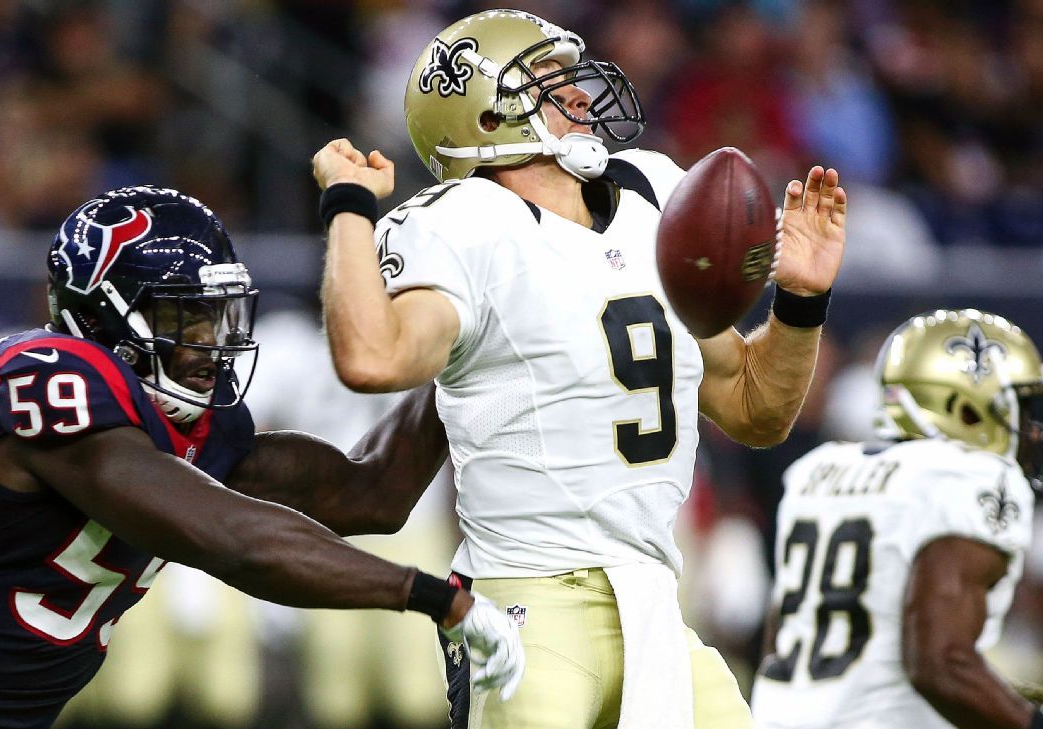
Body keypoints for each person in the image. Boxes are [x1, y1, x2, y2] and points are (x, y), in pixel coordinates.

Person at [0, 185, 524, 729]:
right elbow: (233, 539)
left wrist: (466, 350)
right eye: (186, 317)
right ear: (104, 314)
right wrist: (436, 598)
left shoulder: (188, 428)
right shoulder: (42, 374)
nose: (211, 343)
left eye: (219, 316)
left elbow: (373, 492)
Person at [310, 9, 847, 729]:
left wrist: (801, 300)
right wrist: (348, 207)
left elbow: (755, 407)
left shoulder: (654, 193)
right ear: (486, 112)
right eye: (552, 82)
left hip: (656, 600)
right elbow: (372, 358)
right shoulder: (465, 220)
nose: (584, 96)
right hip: (530, 603)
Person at [751, 309, 1043, 729]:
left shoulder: (818, 470)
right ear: (965, 409)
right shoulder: (968, 478)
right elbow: (941, 665)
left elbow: (779, 641)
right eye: (1018, 405)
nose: (1030, 429)